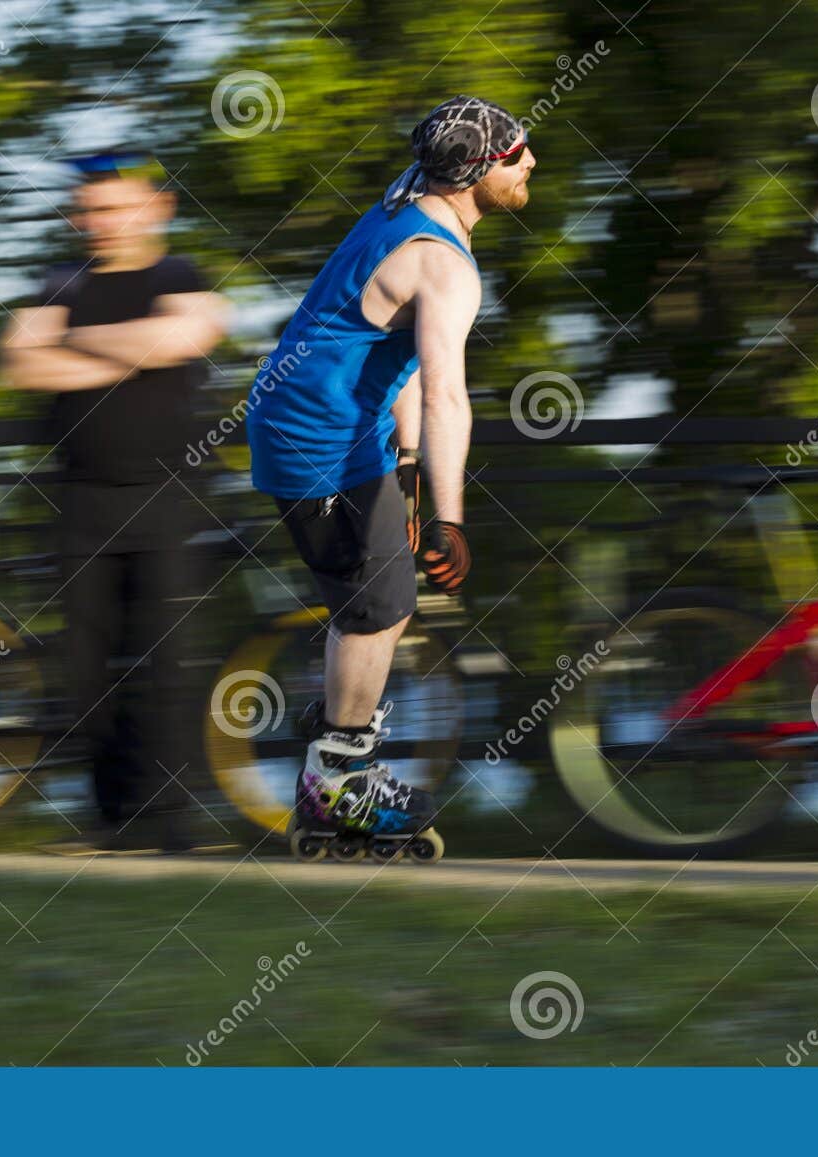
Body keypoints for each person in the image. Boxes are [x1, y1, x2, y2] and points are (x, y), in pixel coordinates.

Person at [245, 96, 535, 862]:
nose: (531, 162)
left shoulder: (407, 202)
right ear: (478, 171)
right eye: (517, 154)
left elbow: (392, 352)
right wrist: (451, 518)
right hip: (314, 438)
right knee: (380, 601)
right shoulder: (445, 263)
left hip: (341, 427)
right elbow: (445, 390)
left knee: (376, 594)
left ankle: (336, 760)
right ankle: (337, 780)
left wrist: (406, 464)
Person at [0, 150, 232, 853]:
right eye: (91, 209)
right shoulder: (56, 279)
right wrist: (128, 347)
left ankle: (172, 825)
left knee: (167, 661)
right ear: (76, 217)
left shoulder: (179, 275)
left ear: (156, 207)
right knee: (84, 667)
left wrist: (69, 337)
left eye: (118, 205)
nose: (102, 221)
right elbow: (19, 362)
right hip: (81, 497)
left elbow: (181, 338)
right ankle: (110, 822)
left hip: (169, 494)